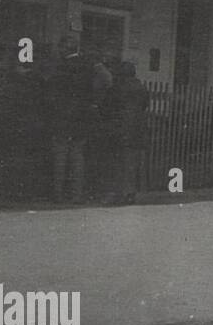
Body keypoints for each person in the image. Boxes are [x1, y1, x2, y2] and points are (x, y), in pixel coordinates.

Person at [46, 35, 98, 203]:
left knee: (60, 155)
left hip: (62, 117)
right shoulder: (88, 67)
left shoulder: (61, 68)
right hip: (81, 118)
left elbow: (52, 94)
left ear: (64, 49)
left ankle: (58, 194)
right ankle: (76, 194)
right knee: (77, 155)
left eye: (60, 48)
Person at [100, 60, 149, 204]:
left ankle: (116, 193)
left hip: (119, 129)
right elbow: (145, 106)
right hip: (136, 130)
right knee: (131, 163)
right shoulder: (141, 87)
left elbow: (106, 107)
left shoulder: (116, 88)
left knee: (117, 163)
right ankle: (130, 193)